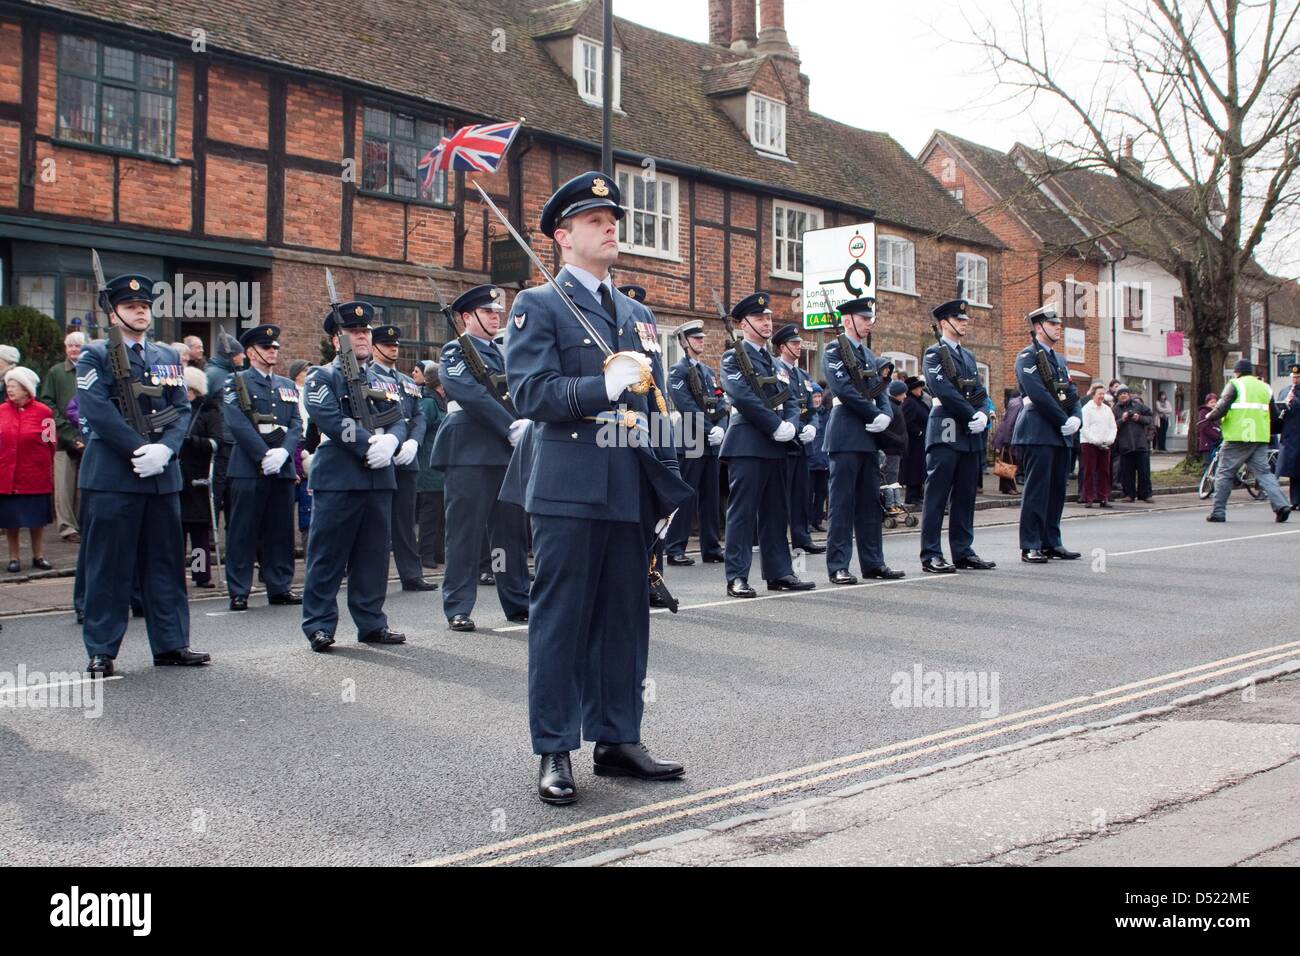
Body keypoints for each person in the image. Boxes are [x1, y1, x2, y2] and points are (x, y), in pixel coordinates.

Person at [504, 172, 691, 805]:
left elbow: (660, 402)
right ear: (562, 236)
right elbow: (531, 393)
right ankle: (555, 746)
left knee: (625, 618)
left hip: (628, 483)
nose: (611, 225)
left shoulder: (636, 313)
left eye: (612, 217)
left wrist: (666, 478)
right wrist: (600, 390)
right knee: (561, 619)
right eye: (593, 220)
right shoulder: (540, 305)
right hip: (569, 485)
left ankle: (617, 737)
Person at [74, 270, 209, 676]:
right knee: (109, 566)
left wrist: (166, 450)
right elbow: (96, 410)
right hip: (115, 475)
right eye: (132, 306)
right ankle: (102, 649)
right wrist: (139, 449)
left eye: (145, 307)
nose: (140, 313)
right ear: (113, 313)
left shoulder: (167, 357)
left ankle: (171, 643)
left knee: (165, 563)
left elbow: (181, 410)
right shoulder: (94, 355)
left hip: (160, 477)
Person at [300, 300, 408, 651]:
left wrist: (391, 441)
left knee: (374, 556)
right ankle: (319, 625)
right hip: (340, 477)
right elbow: (328, 416)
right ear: (336, 341)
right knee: (328, 556)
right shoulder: (322, 376)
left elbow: (398, 417)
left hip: (378, 478)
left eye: (364, 332)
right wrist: (367, 444)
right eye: (352, 332)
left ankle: (372, 622)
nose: (361, 337)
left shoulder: (380, 379)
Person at [433, 284, 530, 631]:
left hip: (506, 455)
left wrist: (526, 423)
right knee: (465, 534)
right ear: (465, 317)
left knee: (509, 536)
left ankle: (517, 601)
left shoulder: (507, 354)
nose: (494, 317)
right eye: (487, 312)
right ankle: (458, 606)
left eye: (496, 312)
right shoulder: (454, 351)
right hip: (469, 453)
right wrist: (509, 425)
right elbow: (470, 394)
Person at [719, 293, 814, 597]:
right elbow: (741, 396)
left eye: (769, 318)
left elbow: (790, 400)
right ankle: (736, 576)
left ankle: (779, 572)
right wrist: (775, 426)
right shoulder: (733, 356)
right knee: (743, 514)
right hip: (748, 443)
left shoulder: (776, 364)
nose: (766, 322)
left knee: (776, 512)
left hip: (777, 445)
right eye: (760, 318)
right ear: (744, 324)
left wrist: (791, 425)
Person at [219, 323, 303, 610]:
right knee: (243, 529)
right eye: (266, 348)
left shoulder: (287, 385)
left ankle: (279, 585)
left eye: (275, 347)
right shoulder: (236, 382)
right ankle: (239, 588)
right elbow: (236, 422)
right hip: (248, 466)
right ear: (251, 352)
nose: (272, 352)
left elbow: (295, 423)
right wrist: (262, 454)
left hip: (281, 466)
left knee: (280, 530)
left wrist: (283, 454)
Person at [822, 297, 904, 585]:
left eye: (870, 318)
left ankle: (873, 562)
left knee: (870, 503)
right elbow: (842, 388)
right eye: (863, 317)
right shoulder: (833, 350)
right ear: (847, 321)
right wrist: (873, 412)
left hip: (869, 437)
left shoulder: (868, 355)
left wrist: (885, 414)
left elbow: (879, 388)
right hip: (846, 434)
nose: (869, 322)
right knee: (842, 504)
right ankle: (838, 565)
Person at [919, 299, 996, 574]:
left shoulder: (969, 357)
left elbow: (979, 391)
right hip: (947, 427)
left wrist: (985, 414)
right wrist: (970, 414)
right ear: (944, 323)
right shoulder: (933, 354)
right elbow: (943, 389)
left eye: (964, 319)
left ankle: (963, 550)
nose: (964, 322)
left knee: (965, 495)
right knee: (937, 494)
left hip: (969, 432)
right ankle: (931, 553)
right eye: (958, 319)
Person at [1011, 305, 1083, 563]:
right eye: (1053, 325)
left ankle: (1052, 541)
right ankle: (1030, 543)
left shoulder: (1060, 360)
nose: (1058, 328)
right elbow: (1038, 393)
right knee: (1037, 490)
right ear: (1039, 327)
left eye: (1059, 325)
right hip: (1038, 430)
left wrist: (1077, 417)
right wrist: (1063, 419)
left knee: (1056, 491)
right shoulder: (1026, 357)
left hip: (1060, 432)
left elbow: (1071, 393)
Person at [369, 324, 435, 593]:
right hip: (382, 454)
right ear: (374, 347)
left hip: (407, 457)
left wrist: (412, 442)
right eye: (387, 344)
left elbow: (418, 416)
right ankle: (376, 575)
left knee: (405, 521)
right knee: (379, 520)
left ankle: (411, 573)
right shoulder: (368, 377)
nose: (393, 348)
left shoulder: (408, 382)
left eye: (395, 344)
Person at [665, 319, 727, 565]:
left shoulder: (709, 373)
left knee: (710, 497)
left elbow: (720, 403)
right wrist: (710, 428)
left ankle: (711, 548)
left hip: (711, 442)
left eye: (702, 337)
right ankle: (675, 547)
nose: (701, 341)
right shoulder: (677, 371)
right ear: (684, 342)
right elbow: (685, 405)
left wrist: (721, 428)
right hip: (690, 439)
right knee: (686, 495)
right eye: (696, 338)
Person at [1205, 358, 1291, 523]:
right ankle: (1281, 505)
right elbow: (1273, 414)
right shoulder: (1264, 387)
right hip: (1259, 437)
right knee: (1264, 473)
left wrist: (1210, 416)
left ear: (1237, 372)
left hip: (1238, 436)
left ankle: (1218, 512)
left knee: (1224, 472)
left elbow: (1222, 406)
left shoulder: (1235, 385)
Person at [772, 324, 825, 555]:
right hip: (785, 442)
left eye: (799, 343)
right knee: (780, 496)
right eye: (794, 344)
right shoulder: (775, 371)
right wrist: (795, 428)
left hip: (803, 444)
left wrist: (813, 427)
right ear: (783, 347)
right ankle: (778, 538)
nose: (798, 347)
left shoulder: (803, 375)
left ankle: (802, 537)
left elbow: (813, 409)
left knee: (802, 494)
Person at [1, 366, 55, 573]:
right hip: (8, 475)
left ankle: (38, 556)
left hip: (34, 475)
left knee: (36, 520)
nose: (10, 390)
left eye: (14, 386)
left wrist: (44, 467)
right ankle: (13, 558)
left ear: (26, 389)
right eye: (8, 386)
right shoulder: (1, 412)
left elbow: (50, 442)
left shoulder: (44, 413)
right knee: (11, 521)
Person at [40, 330, 86, 543]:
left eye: (78, 346)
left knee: (86, 486)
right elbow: (48, 403)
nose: (74, 350)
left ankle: (85, 524)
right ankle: (68, 528)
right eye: (71, 346)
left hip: (89, 438)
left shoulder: (91, 370)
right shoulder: (56, 372)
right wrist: (67, 432)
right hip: (63, 439)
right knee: (64, 489)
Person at [179, 365, 222, 588]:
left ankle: (200, 573)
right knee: (177, 530)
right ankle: (177, 573)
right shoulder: (177, 410)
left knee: (198, 531)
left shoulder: (208, 411)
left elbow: (217, 442)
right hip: (178, 474)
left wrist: (194, 441)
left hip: (198, 476)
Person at [416, 363, 447, 570]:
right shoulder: (428, 403)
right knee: (430, 515)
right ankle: (425, 554)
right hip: (429, 468)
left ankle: (438, 552)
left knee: (440, 515)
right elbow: (420, 429)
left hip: (439, 469)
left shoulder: (441, 402)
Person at [288, 359, 313, 550]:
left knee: (308, 506)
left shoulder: (312, 392)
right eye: (305, 371)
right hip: (293, 447)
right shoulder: (291, 392)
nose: (308, 374)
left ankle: (308, 551)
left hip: (309, 447)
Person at [1112, 386, 1153, 502]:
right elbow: (1112, 425)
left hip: (1141, 444)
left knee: (1144, 472)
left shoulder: (1138, 406)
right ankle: (1129, 494)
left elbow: (1149, 418)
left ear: (1129, 394)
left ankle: (1146, 494)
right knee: (1127, 473)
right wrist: (1122, 420)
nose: (1123, 395)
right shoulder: (1115, 409)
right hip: (1125, 445)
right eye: (1121, 394)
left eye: (1125, 393)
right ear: (1118, 396)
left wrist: (1138, 418)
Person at [1080, 383, 1117, 508]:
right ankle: (1088, 498)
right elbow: (1084, 428)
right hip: (1089, 443)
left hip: (1105, 444)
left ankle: (1103, 497)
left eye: (1103, 394)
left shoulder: (1107, 409)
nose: (1102, 396)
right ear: (1093, 395)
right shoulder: (1086, 409)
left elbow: (1113, 427)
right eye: (1099, 394)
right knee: (1089, 471)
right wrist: (1095, 441)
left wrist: (1109, 440)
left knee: (1104, 471)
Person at [900, 376, 928, 504]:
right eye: (917, 388)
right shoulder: (910, 402)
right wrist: (919, 431)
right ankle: (912, 496)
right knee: (914, 469)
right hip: (913, 443)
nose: (920, 390)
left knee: (919, 468)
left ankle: (917, 494)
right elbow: (906, 421)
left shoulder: (917, 401)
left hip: (919, 442)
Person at [1276, 365, 1300, 508]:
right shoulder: (1285, 391)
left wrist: (1294, 401)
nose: (1295, 380)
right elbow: (1278, 410)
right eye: (1294, 377)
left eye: (1298, 378)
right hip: (1290, 436)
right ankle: (1295, 501)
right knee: (1293, 470)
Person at [807, 385, 829, 531]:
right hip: (810, 459)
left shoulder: (826, 413)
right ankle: (807, 521)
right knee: (808, 493)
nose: (817, 399)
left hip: (823, 459)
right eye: (815, 396)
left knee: (821, 492)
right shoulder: (806, 413)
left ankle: (817, 520)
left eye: (819, 396)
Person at [992, 392, 1023, 495]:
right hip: (1007, 436)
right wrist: (1007, 440)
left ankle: (1010, 487)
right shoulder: (1019, 404)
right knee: (1007, 463)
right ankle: (1007, 488)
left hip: (1007, 435)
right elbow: (1011, 422)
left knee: (1010, 461)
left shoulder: (1016, 402)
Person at [1196, 391, 1222, 469]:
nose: (1213, 404)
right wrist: (1217, 436)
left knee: (1215, 465)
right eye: (1211, 402)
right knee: (1207, 465)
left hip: (1215, 444)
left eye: (1215, 402)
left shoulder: (1216, 413)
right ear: (1207, 403)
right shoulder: (1203, 412)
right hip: (1207, 444)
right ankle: (1205, 480)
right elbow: (1204, 427)